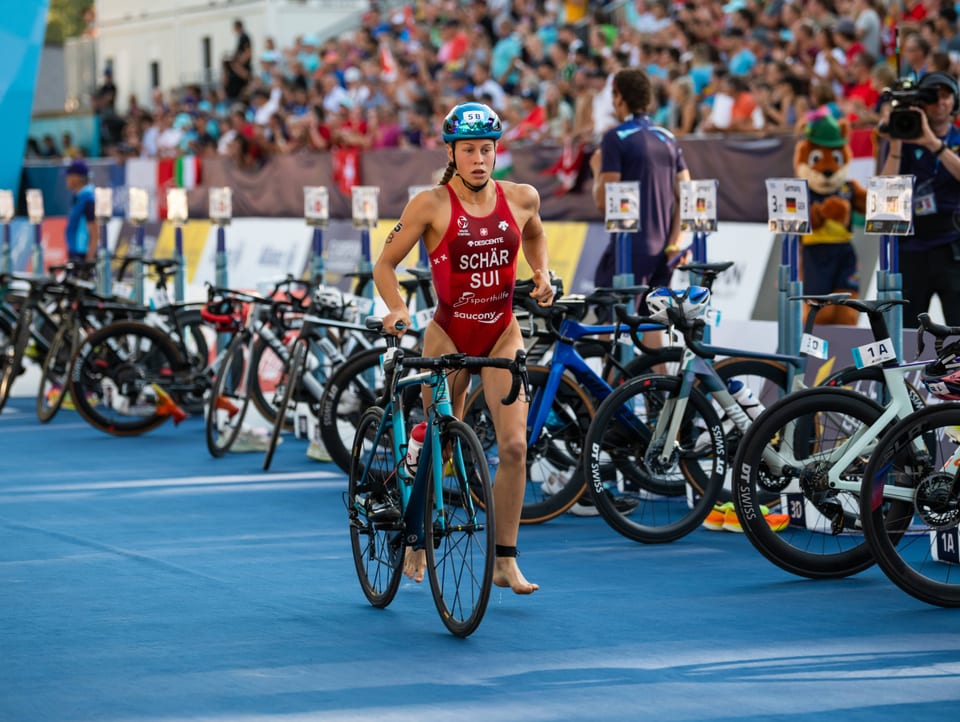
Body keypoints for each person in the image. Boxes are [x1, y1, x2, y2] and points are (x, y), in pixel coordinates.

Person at [372, 101, 554, 595]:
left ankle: (504, 560)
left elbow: (536, 236)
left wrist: (541, 273)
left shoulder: (521, 198)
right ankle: (416, 539)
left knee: (515, 446)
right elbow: (384, 266)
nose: (479, 159)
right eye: (469, 150)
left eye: (487, 149)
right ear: (452, 153)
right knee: (439, 442)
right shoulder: (429, 204)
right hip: (448, 333)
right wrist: (394, 309)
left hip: (501, 331)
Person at [590, 67, 690, 308]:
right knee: (651, 321)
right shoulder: (667, 137)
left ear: (619, 98)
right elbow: (689, 196)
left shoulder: (615, 137)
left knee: (612, 323)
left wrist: (596, 170)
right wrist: (674, 243)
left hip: (628, 247)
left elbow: (606, 205)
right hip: (663, 249)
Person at [878, 70, 960, 327]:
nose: (941, 103)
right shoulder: (902, 137)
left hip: (952, 247)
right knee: (908, 330)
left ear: (954, 102)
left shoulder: (956, 138)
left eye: (946, 97)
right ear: (922, 104)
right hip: (911, 248)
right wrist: (895, 145)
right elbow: (882, 196)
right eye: (933, 98)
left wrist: (934, 143)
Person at [64, 159, 98, 265]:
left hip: (83, 255)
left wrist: (89, 260)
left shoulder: (88, 200)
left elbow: (95, 233)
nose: (66, 179)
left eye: (68, 176)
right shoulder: (79, 197)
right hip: (75, 253)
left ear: (76, 177)